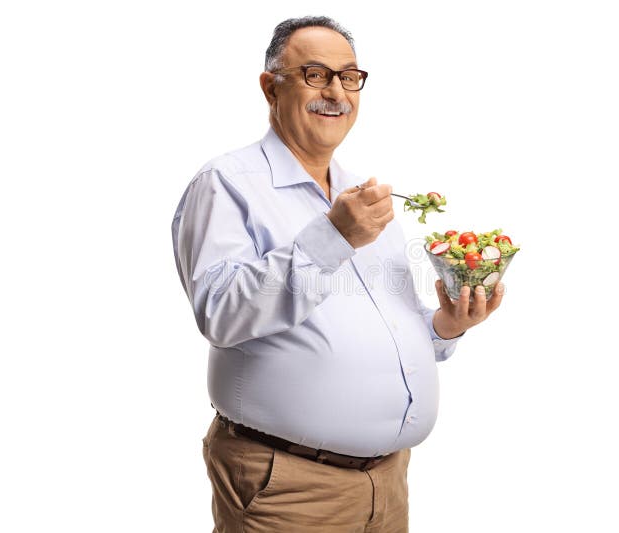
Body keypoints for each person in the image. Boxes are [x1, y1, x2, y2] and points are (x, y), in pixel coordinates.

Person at [171, 16, 505, 533]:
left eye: (349, 77)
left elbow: (390, 320)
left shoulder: (363, 194)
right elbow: (221, 312)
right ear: (270, 86)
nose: (336, 92)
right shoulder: (227, 184)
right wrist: (334, 237)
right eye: (314, 74)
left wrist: (446, 324)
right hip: (286, 487)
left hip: (387, 484)